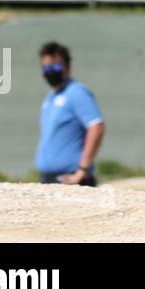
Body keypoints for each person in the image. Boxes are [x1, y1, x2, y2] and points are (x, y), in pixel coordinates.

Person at [35, 42, 104, 187]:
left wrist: (83, 169)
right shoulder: (50, 97)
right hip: (48, 178)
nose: (50, 72)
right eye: (46, 68)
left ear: (67, 67)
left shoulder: (76, 92)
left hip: (70, 179)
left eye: (55, 67)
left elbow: (96, 126)